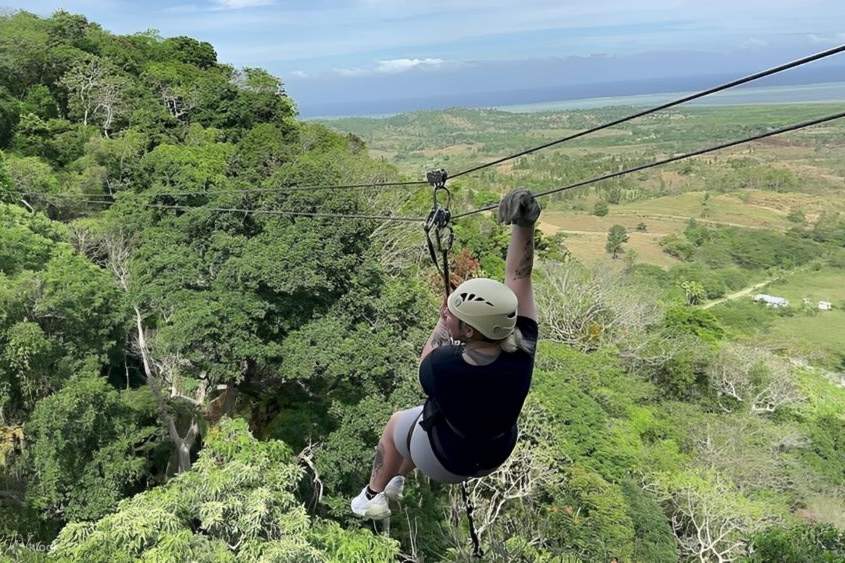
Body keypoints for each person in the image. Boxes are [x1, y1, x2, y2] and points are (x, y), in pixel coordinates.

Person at [351, 189, 541, 520]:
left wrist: (440, 327)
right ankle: (397, 478)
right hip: (493, 451)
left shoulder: (447, 366)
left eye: (453, 314)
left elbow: (427, 360)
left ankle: (371, 496)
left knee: (398, 423)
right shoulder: (522, 342)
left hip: (447, 460)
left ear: (468, 331)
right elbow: (519, 275)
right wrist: (524, 223)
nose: (447, 313)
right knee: (419, 421)